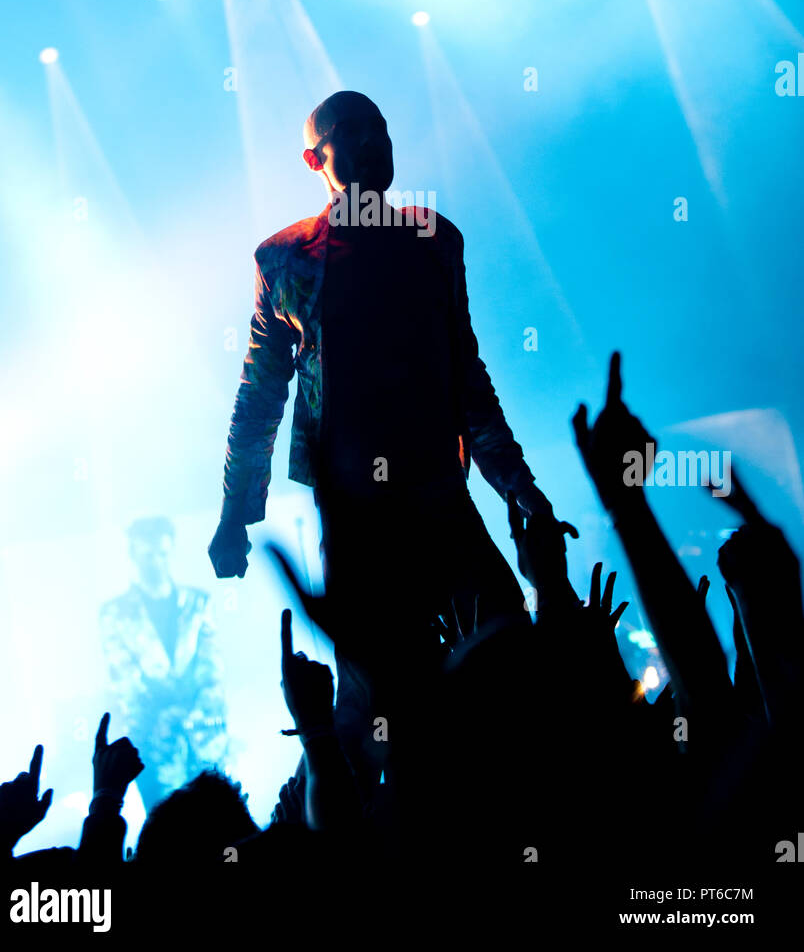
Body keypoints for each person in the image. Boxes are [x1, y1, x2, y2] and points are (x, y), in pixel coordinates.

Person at [208, 92, 570, 769]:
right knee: (388, 709)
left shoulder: (435, 240)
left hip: (438, 495)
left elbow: (467, 376)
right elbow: (260, 393)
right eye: (356, 131)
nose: (375, 141)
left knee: (507, 671)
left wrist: (520, 489)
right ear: (316, 157)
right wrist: (236, 511)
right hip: (355, 518)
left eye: (382, 127)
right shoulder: (285, 260)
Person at [100, 516, 229, 814]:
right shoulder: (114, 615)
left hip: (205, 738)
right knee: (169, 841)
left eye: (161, 554)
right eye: (147, 555)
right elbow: (125, 682)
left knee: (221, 828)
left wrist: (198, 712)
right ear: (133, 556)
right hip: (155, 748)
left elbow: (212, 669)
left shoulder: (198, 603)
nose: (155, 563)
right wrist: (165, 717)